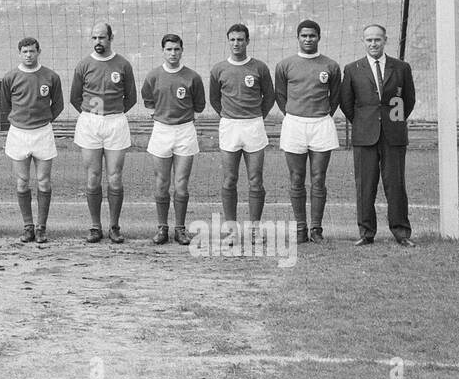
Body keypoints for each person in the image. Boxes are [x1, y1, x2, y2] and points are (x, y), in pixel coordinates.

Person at [339, 24, 416, 247]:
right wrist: (364, 122)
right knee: (365, 184)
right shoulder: (353, 69)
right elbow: (347, 103)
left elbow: (407, 100)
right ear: (364, 42)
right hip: (365, 135)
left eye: (377, 40)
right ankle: (366, 232)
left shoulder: (401, 68)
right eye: (369, 40)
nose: (373, 44)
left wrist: (393, 120)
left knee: (396, 184)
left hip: (394, 135)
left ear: (385, 41)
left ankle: (401, 232)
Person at [274, 19, 342, 244]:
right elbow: (281, 95)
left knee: (318, 178)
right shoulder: (285, 65)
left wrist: (320, 113)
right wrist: (294, 113)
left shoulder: (330, 66)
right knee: (296, 178)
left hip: (321, 123)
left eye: (312, 35)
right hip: (294, 124)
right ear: (298, 38)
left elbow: (336, 96)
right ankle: (300, 228)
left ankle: (316, 228)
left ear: (319, 38)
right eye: (304, 35)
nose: (308, 39)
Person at [69, 21, 137, 244]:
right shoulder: (84, 64)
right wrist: (93, 113)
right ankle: (95, 226)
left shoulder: (123, 65)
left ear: (111, 38)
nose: (98, 42)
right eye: (94, 38)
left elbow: (131, 97)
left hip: (115, 123)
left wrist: (112, 113)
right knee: (93, 177)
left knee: (115, 177)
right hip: (90, 123)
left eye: (102, 37)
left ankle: (114, 226)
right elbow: (75, 97)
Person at [208, 23, 276, 239]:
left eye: (240, 39)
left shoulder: (260, 68)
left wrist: (256, 116)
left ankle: (255, 228)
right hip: (230, 125)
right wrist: (229, 115)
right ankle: (231, 229)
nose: (236, 43)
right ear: (228, 41)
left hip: (253, 125)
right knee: (229, 179)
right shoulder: (219, 69)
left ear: (247, 41)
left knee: (255, 179)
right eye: (232, 39)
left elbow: (269, 97)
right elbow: (214, 99)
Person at [0, 36, 64, 243]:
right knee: (22, 181)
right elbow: (5, 105)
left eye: (32, 51)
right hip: (18, 133)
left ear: (38, 51)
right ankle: (28, 226)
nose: (28, 55)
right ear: (19, 53)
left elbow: (58, 105)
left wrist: (43, 120)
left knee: (43, 181)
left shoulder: (50, 76)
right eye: (24, 52)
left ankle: (41, 227)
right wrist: (19, 121)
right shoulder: (11, 77)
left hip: (42, 132)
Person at [141, 33, 206, 245]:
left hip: (185, 131)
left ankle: (180, 229)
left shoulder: (192, 77)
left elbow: (199, 105)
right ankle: (162, 228)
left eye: (176, 49)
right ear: (163, 51)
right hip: (161, 130)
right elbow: (148, 101)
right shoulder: (153, 76)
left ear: (182, 50)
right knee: (161, 182)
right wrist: (161, 118)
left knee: (181, 184)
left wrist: (183, 119)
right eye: (169, 49)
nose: (173, 53)